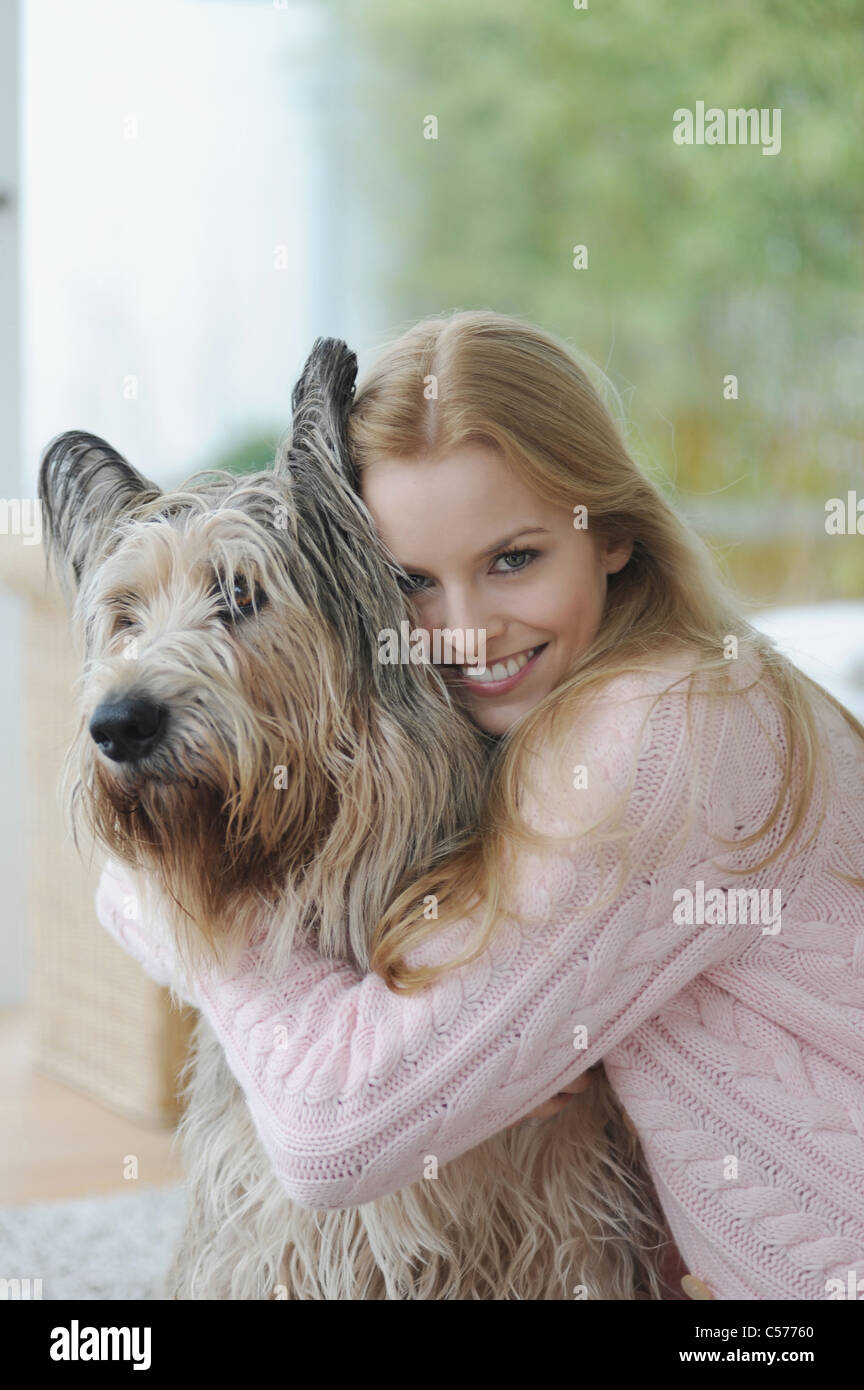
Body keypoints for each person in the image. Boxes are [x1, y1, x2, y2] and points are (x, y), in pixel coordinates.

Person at [96, 309, 864, 1300]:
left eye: (514, 559)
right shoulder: (586, 701)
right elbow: (124, 884)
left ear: (614, 534)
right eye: (412, 581)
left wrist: (216, 933)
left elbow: (335, 1135)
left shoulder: (657, 732)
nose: (465, 632)